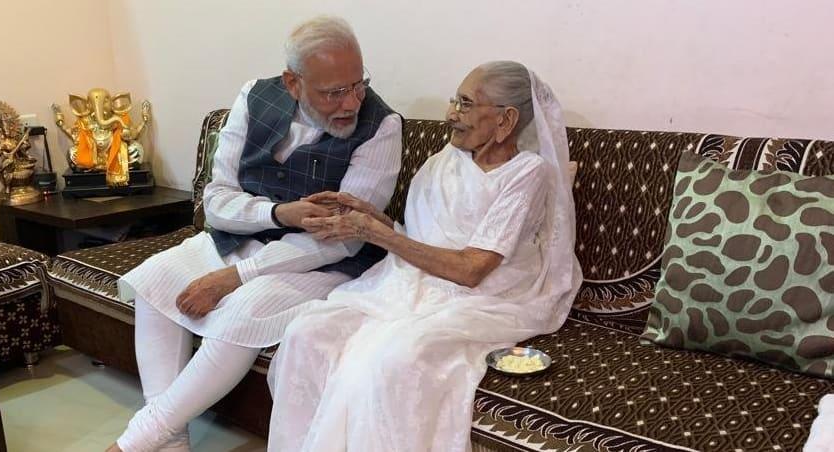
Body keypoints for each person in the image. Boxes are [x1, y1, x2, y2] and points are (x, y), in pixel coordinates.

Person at [107, 15, 402, 452]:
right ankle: (170, 442)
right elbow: (217, 202)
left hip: (324, 262)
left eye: (358, 84)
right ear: (292, 82)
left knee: (241, 311)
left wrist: (238, 276)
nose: (351, 103)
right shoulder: (253, 96)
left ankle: (138, 441)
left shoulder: (382, 127)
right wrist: (280, 213)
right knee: (156, 281)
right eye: (333, 92)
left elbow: (345, 236)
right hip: (246, 236)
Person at [267, 61, 583, 452]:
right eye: (455, 100)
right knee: (306, 331)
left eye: (466, 104)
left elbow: (471, 270)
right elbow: (419, 239)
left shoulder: (527, 173)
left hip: (484, 295)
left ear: (506, 120)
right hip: (407, 281)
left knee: (395, 356)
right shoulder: (444, 161)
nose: (451, 114)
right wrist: (366, 215)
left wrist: (376, 233)